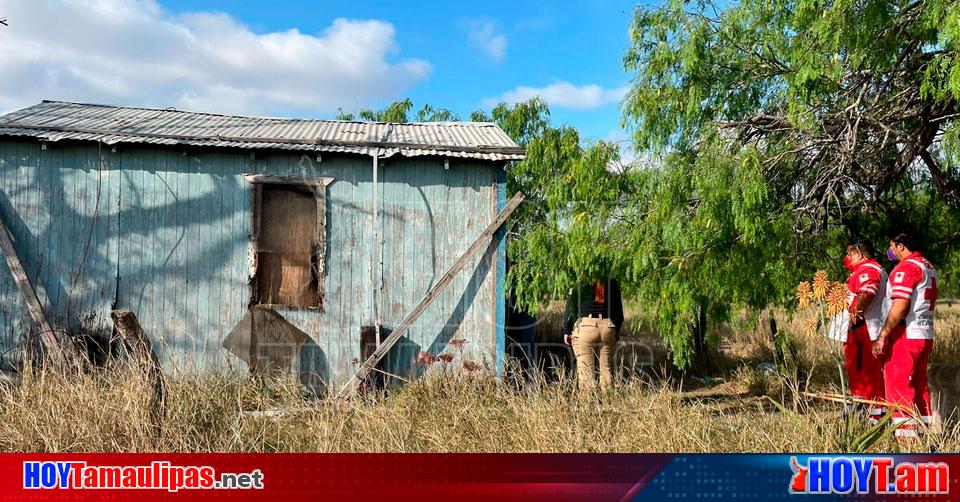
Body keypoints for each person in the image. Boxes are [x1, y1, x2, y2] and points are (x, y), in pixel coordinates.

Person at [872, 231, 939, 439]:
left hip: (905, 335)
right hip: (924, 334)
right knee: (919, 387)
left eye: (892, 246)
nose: (890, 251)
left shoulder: (906, 268)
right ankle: (924, 436)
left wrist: (883, 335)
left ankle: (907, 442)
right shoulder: (928, 266)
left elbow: (900, 306)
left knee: (899, 388)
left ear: (901, 246)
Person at [842, 239, 887, 422]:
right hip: (863, 332)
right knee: (865, 377)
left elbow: (867, 293)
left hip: (864, 333)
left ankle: (873, 421)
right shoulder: (875, 269)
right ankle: (871, 416)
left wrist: (853, 316)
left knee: (868, 378)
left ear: (859, 254)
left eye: (848, 254)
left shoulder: (868, 271)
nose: (846, 258)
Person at [562, 277, 624, 391]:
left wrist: (567, 330)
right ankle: (607, 404)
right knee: (606, 369)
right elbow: (619, 311)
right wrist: (617, 329)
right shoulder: (612, 281)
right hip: (608, 326)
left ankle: (587, 406)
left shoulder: (579, 279)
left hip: (586, 326)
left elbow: (571, 307)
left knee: (586, 371)